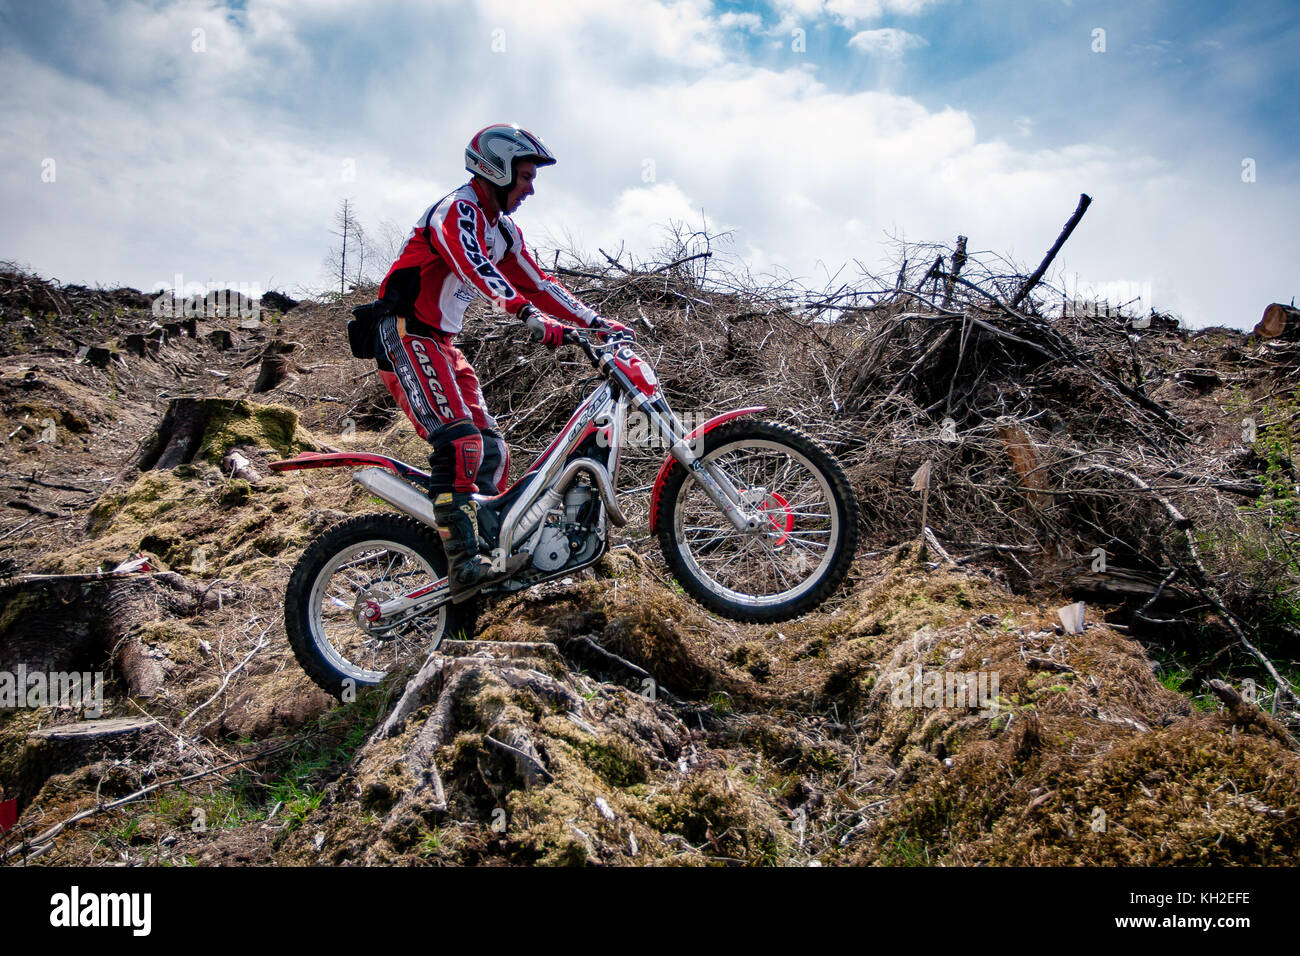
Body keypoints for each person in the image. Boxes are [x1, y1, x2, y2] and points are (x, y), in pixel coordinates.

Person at [373, 123, 631, 601]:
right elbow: (475, 266)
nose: (531, 188)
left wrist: (597, 322)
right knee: (460, 442)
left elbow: (539, 282)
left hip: (442, 344)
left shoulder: (503, 230)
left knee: (492, 452)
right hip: (405, 333)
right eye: (526, 176)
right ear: (496, 168)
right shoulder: (458, 212)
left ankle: (489, 550)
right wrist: (527, 315)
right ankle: (463, 559)